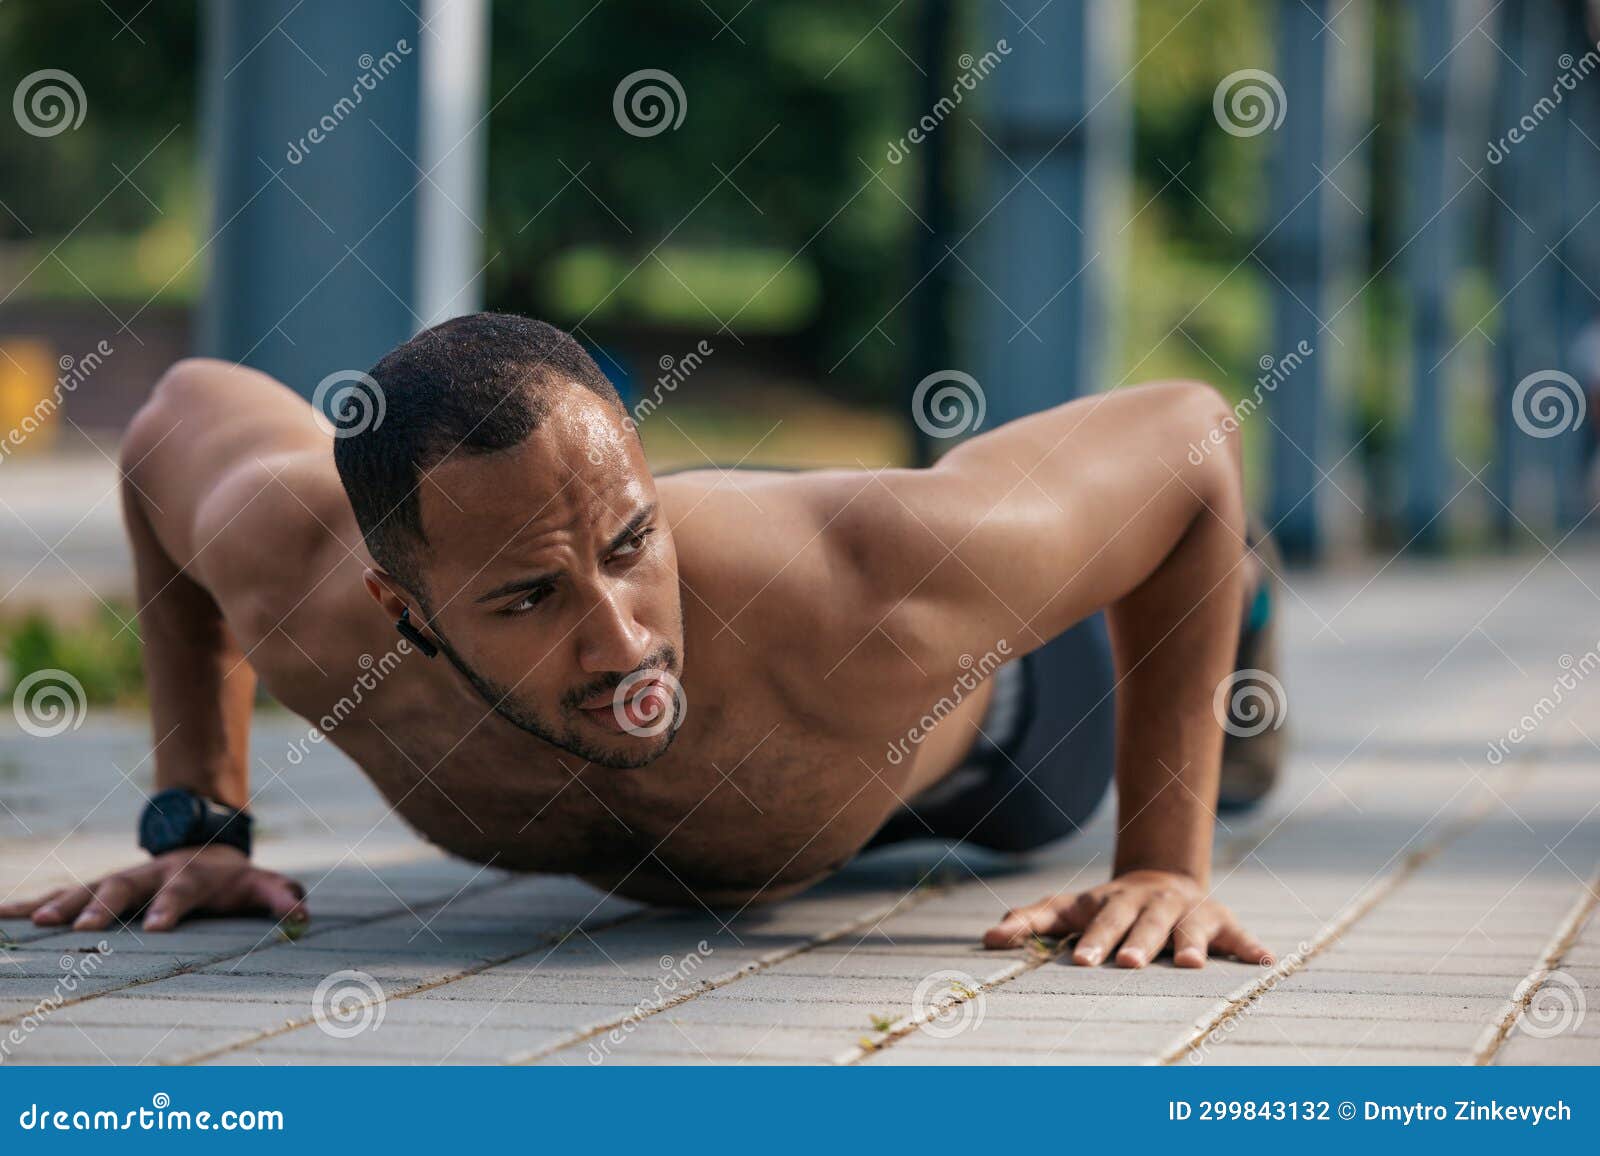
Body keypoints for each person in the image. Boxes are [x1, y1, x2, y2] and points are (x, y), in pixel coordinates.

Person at [2, 313, 1279, 969]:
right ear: (403, 609)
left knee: (1163, 564)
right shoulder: (294, 574)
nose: (621, 646)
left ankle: (1251, 607)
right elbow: (173, 417)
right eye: (527, 599)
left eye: (629, 548)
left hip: (1001, 736)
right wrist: (202, 825)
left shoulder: (874, 583)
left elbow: (1188, 435)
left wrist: (1164, 863)